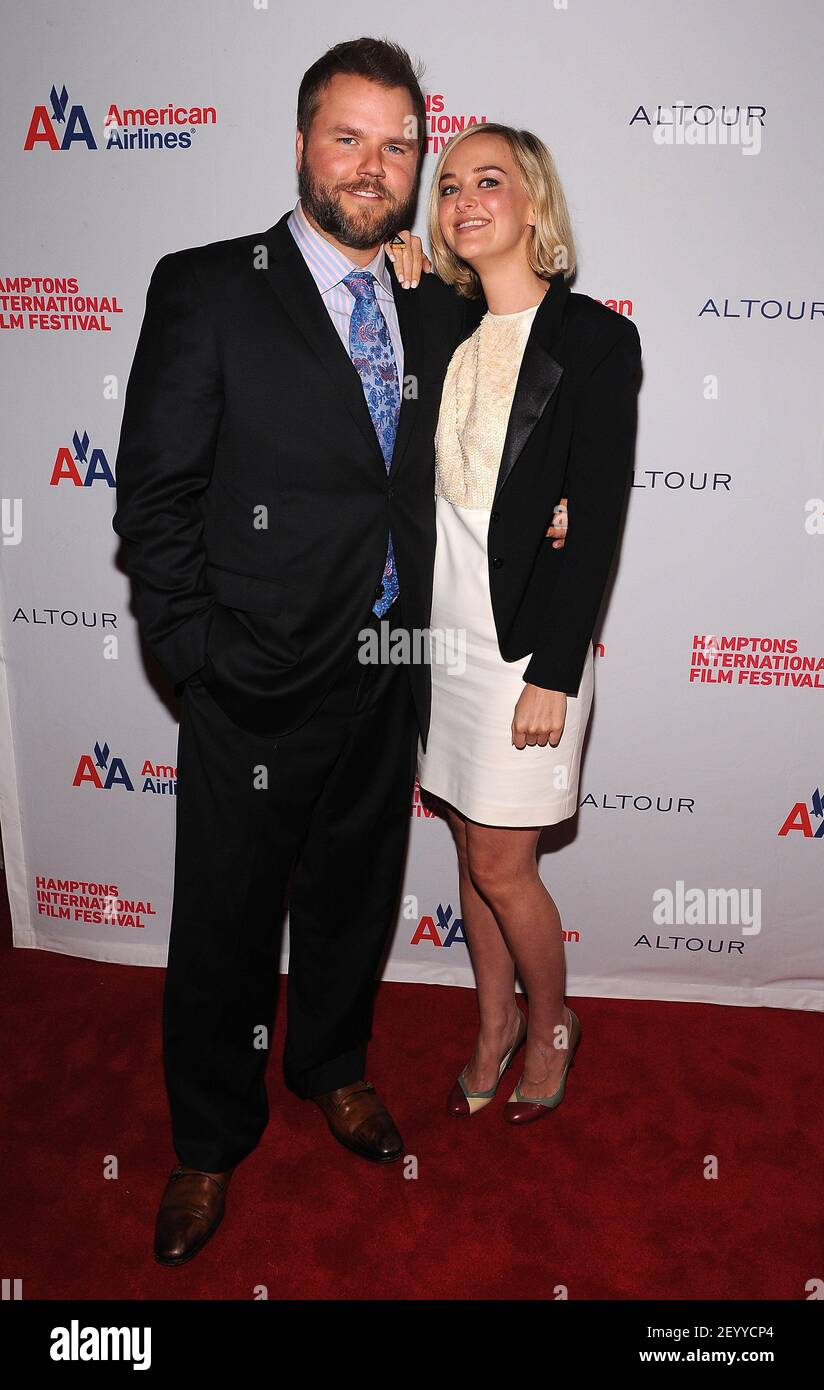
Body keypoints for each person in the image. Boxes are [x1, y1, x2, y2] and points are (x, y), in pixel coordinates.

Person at [112, 37, 493, 1267]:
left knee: (349, 897)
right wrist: (196, 654)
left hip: (386, 671)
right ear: (300, 142)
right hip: (252, 680)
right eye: (348, 137)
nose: (373, 165)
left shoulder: (431, 303)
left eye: (398, 145)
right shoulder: (209, 286)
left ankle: (331, 1064)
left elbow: (501, 422)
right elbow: (156, 497)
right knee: (223, 923)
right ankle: (209, 1141)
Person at [415, 124, 642, 1123]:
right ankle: (491, 1022)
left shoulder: (594, 340)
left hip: (526, 645)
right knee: (471, 850)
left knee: (505, 864)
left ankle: (550, 1024)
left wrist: (554, 670)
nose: (466, 199)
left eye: (489, 181)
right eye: (451, 185)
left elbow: (589, 521)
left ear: (532, 203)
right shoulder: (431, 327)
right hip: (440, 640)